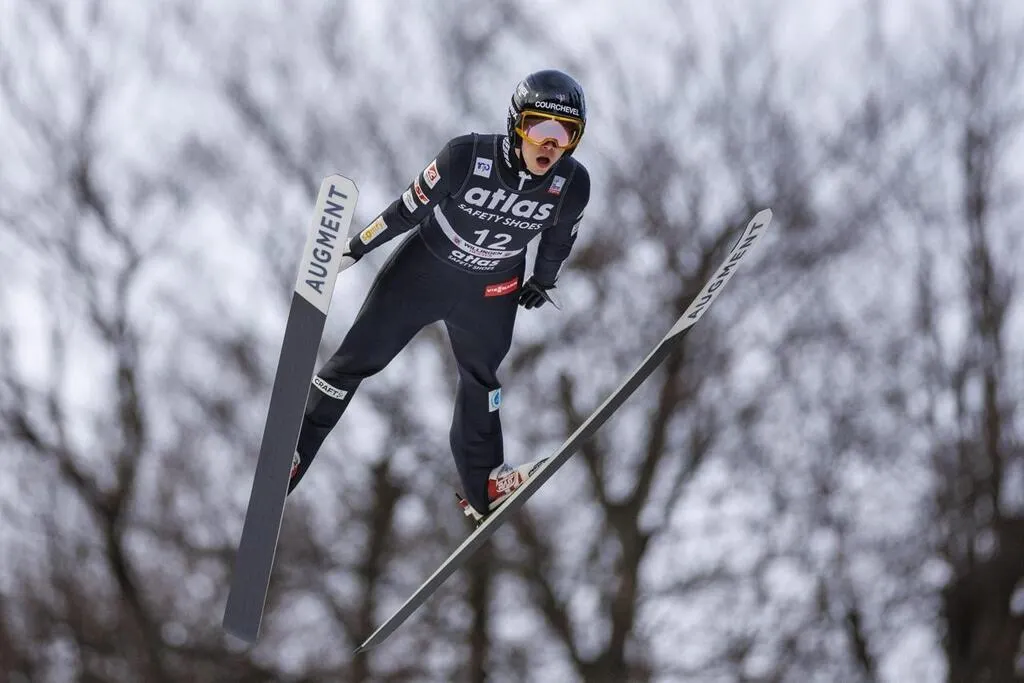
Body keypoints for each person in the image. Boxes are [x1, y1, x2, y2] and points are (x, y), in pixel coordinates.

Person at [289, 69, 591, 521]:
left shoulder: (571, 184)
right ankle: (293, 455)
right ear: (516, 124)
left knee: (482, 380)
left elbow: (558, 240)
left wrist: (544, 280)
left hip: (492, 290)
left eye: (564, 134)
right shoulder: (465, 157)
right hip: (423, 275)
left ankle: (485, 485)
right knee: (354, 362)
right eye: (540, 127)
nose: (550, 144)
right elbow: (407, 208)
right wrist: (356, 247)